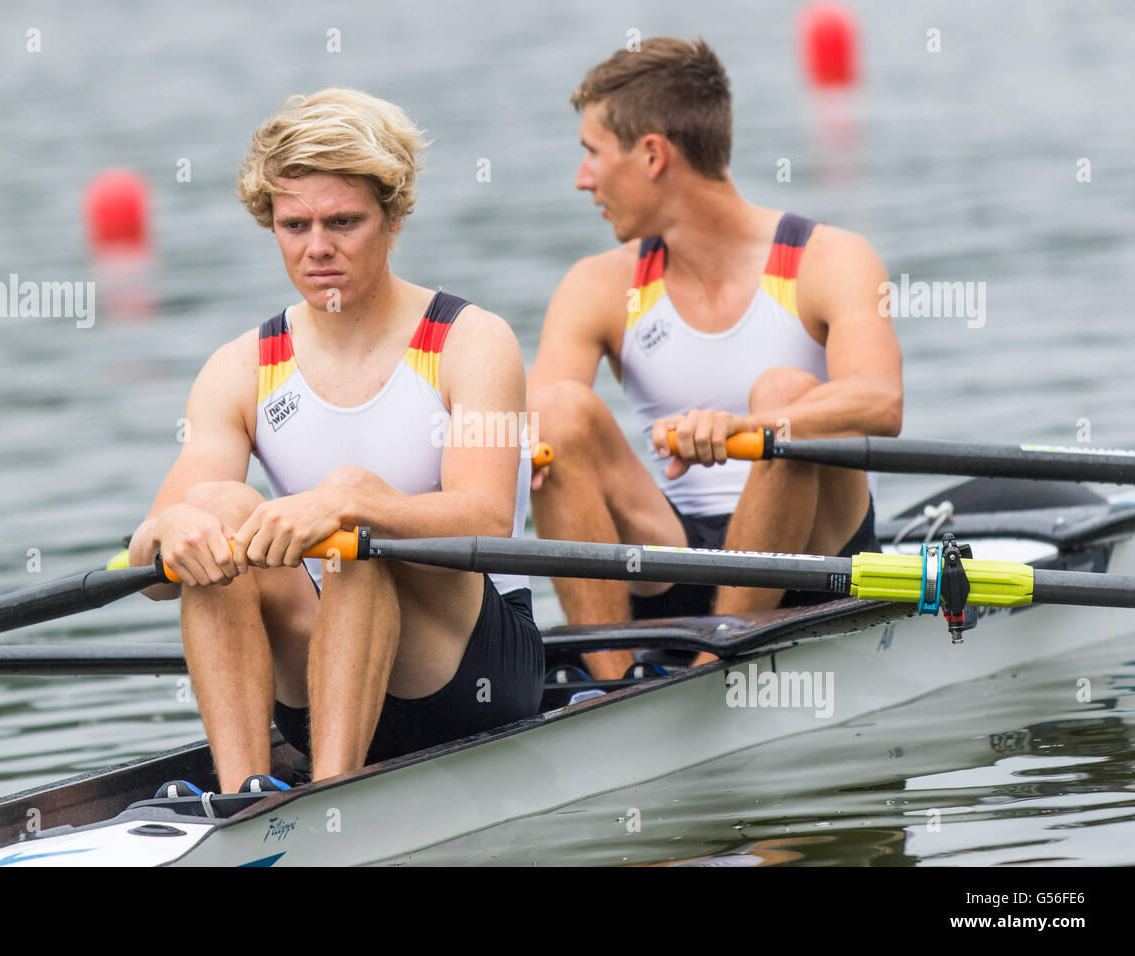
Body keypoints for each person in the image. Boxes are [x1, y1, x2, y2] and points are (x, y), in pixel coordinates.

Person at [128, 89, 543, 792]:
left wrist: (353, 499)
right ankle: (244, 797)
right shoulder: (240, 369)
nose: (317, 247)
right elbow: (145, 564)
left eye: (343, 221)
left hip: (472, 671)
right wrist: (172, 530)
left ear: (392, 216)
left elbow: (485, 518)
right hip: (327, 673)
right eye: (294, 225)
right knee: (213, 505)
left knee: (352, 526)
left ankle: (331, 799)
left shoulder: (472, 341)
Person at [528, 38, 903, 678]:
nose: (581, 178)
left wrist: (749, 432)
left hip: (816, 556)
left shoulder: (829, 258)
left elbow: (881, 402)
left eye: (591, 152)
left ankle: (713, 665)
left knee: (785, 392)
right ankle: (613, 691)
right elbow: (531, 440)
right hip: (675, 559)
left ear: (651, 155)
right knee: (554, 413)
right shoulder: (596, 285)